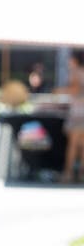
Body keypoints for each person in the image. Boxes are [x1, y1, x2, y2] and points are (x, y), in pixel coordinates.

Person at [55, 51, 84, 182]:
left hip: (78, 112)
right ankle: (81, 173)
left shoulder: (76, 72)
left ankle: (68, 173)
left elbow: (75, 89)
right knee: (82, 144)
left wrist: (59, 91)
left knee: (72, 144)